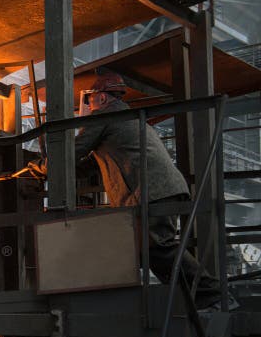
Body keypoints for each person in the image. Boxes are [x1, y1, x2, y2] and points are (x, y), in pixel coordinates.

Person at [36, 72, 227, 310]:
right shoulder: (127, 120)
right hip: (161, 188)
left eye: (90, 100)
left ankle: (211, 294)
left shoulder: (105, 116)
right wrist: (50, 168)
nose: (88, 107)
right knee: (137, 248)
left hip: (152, 190)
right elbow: (87, 164)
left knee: (156, 246)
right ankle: (189, 296)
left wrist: (43, 166)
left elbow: (72, 152)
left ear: (102, 99)